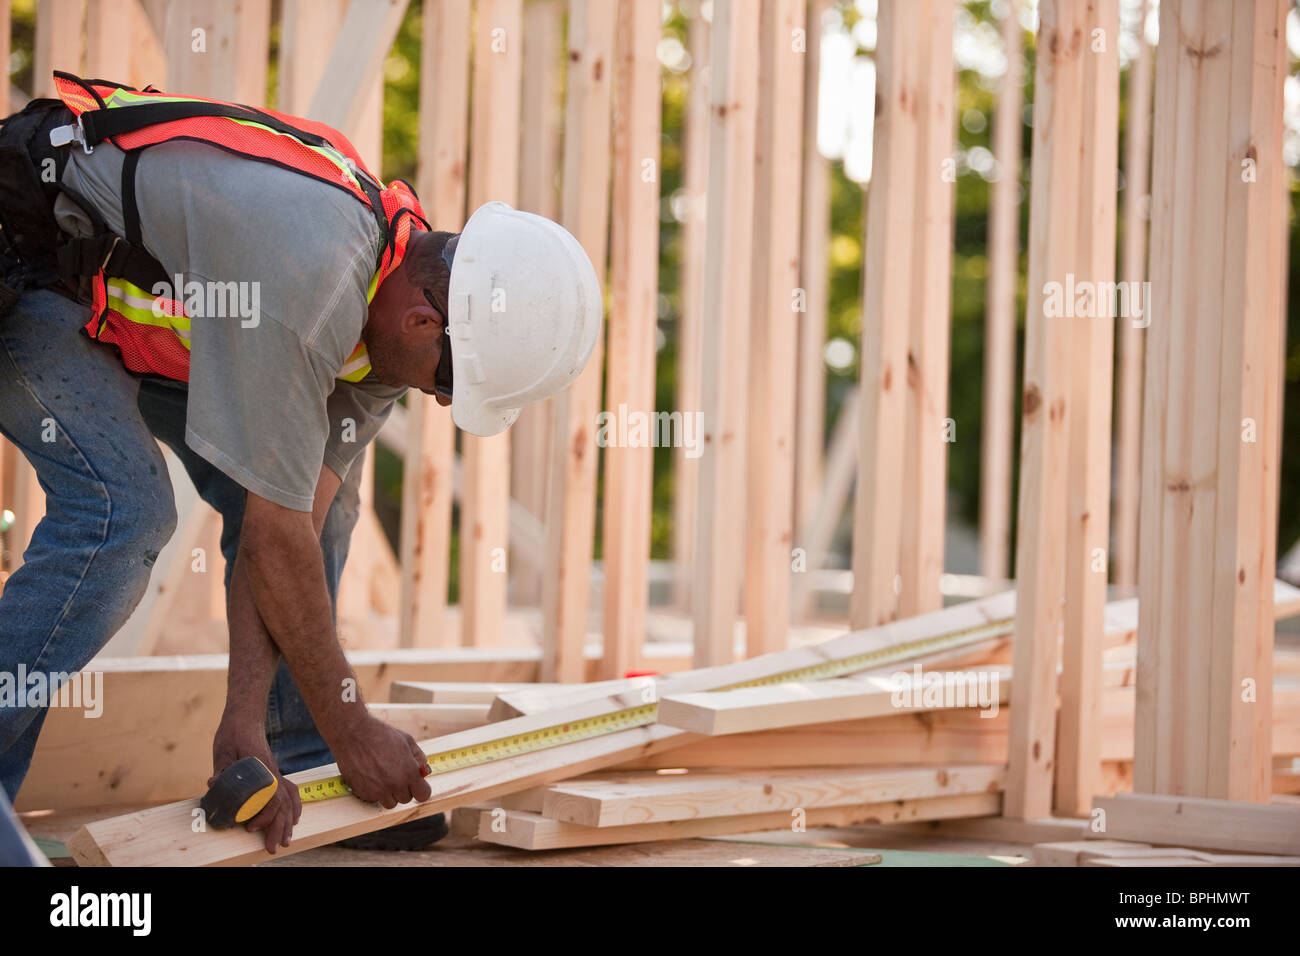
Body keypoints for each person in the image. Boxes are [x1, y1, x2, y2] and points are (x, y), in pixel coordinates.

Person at [0, 74, 601, 853]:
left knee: (334, 507)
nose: (445, 402)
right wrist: (354, 720)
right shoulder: (313, 279)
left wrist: (239, 725)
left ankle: (294, 749)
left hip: (132, 319)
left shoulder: (392, 312)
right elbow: (277, 536)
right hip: (32, 265)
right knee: (123, 513)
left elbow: (291, 524)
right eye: (453, 380)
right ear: (425, 320)